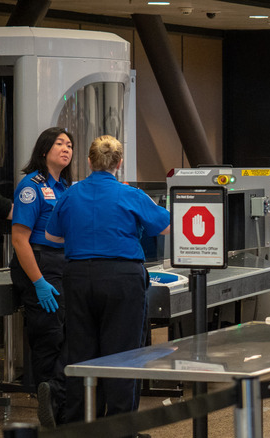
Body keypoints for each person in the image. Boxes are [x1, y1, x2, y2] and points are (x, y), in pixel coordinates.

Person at [45, 135, 170, 424]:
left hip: (78, 277)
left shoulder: (70, 194)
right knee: (124, 355)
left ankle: (77, 425)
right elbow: (164, 226)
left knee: (80, 354)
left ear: (89, 161)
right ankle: (119, 428)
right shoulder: (131, 194)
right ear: (119, 164)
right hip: (122, 278)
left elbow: (52, 235)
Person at [10, 127, 73, 427]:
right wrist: (38, 282)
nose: (66, 148)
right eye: (59, 143)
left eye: (70, 145)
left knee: (66, 335)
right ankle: (49, 403)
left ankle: (60, 400)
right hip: (37, 262)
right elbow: (20, 239)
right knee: (49, 335)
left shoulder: (65, 188)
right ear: (44, 149)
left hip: (61, 264)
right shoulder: (31, 186)